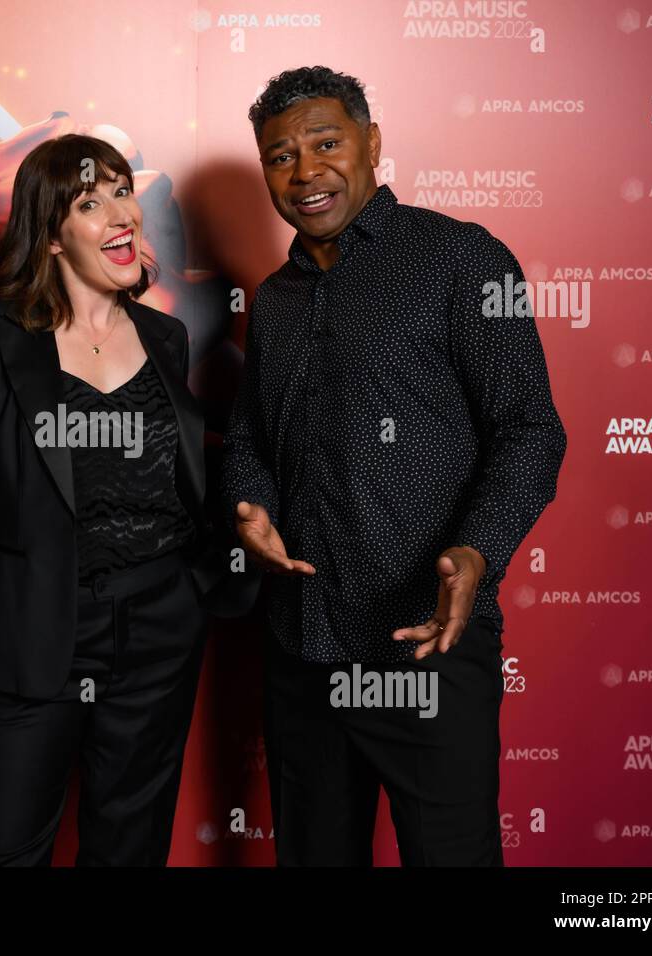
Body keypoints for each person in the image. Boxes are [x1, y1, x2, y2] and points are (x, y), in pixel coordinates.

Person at [223, 66, 566, 866]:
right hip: (303, 651)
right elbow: (247, 437)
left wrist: (477, 551)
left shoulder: (467, 260)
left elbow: (532, 428)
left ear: (373, 143)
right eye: (280, 156)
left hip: (426, 649)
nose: (305, 172)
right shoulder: (272, 300)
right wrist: (249, 503)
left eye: (326, 143)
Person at [0, 133, 248, 866]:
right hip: (32, 631)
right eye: (89, 203)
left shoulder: (166, 337)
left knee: (129, 847)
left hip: (158, 630)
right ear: (54, 235)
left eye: (122, 193)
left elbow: (185, 482)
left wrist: (200, 584)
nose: (119, 216)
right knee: (9, 849)